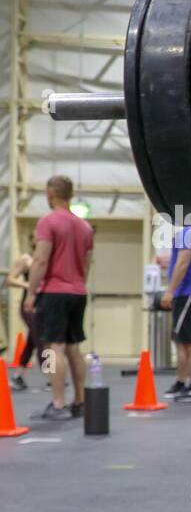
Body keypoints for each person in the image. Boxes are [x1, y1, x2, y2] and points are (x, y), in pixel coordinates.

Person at [22, 176, 93, 421]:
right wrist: (78, 284)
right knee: (74, 348)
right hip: (77, 292)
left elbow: (41, 260)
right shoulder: (85, 227)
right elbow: (86, 265)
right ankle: (81, 401)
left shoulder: (48, 222)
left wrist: (31, 293)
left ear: (51, 193)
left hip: (54, 292)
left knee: (55, 348)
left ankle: (58, 403)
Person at [160, 222, 191, 402]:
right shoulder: (190, 232)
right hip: (186, 292)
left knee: (188, 341)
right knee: (181, 340)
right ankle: (181, 382)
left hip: (188, 291)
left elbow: (183, 263)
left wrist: (170, 291)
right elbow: (180, 260)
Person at [4, 233, 40, 391]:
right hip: (28, 306)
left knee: (32, 341)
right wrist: (28, 285)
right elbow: (10, 279)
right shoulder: (26, 259)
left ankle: (18, 376)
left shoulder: (48, 260)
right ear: (32, 240)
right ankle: (52, 375)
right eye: (37, 237)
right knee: (44, 340)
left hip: (44, 307)